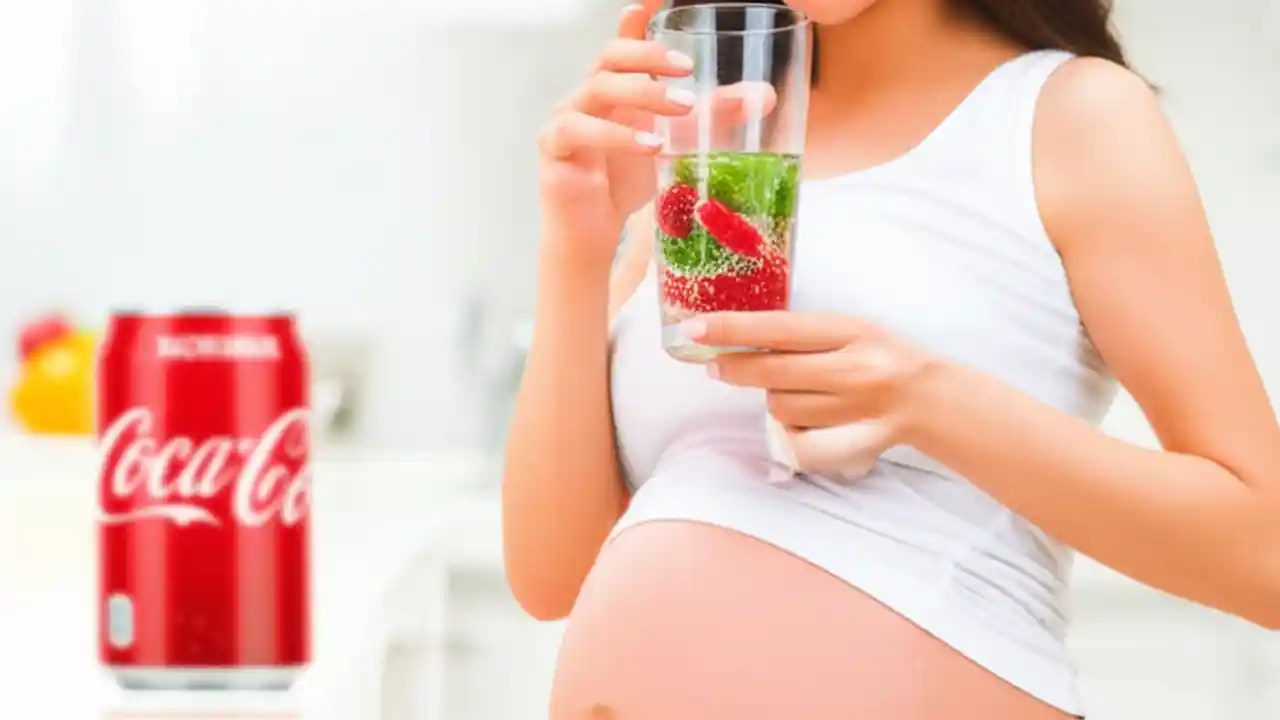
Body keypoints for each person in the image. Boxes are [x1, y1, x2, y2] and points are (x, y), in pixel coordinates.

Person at [503, 0, 1280, 717]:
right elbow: (551, 576)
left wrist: (931, 403)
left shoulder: (1068, 116)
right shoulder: (720, 141)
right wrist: (577, 246)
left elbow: (1266, 555)